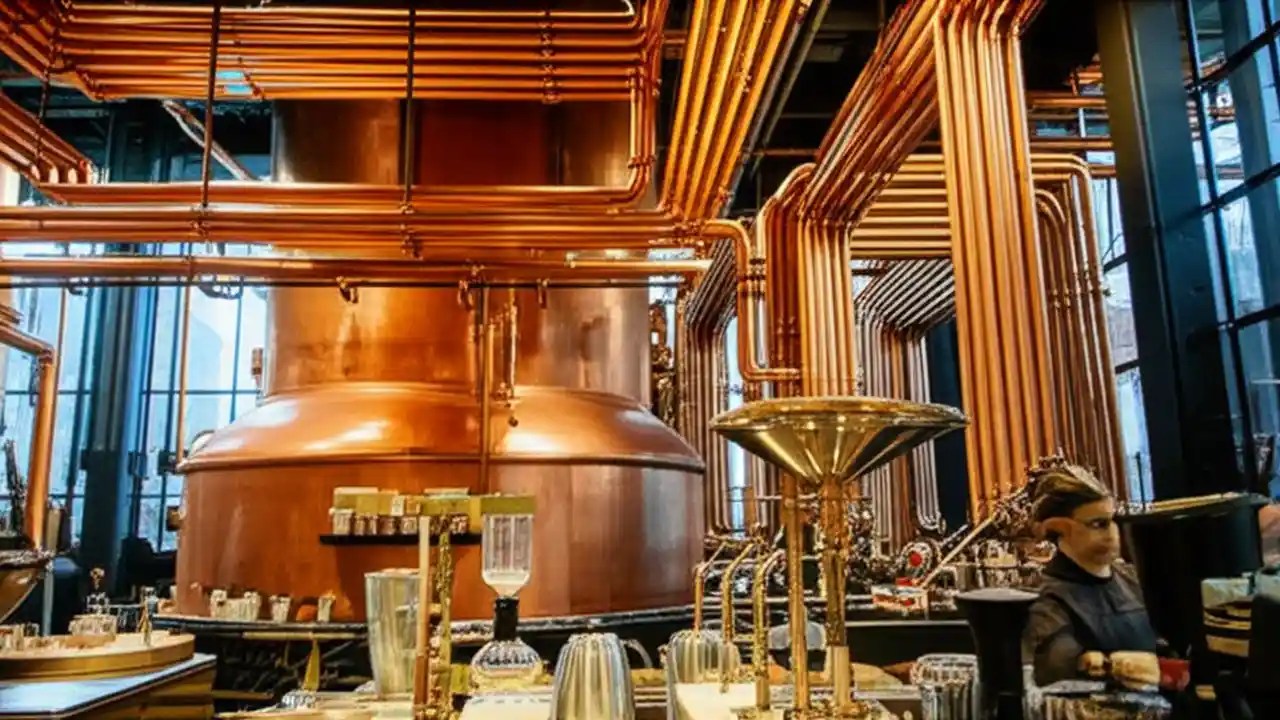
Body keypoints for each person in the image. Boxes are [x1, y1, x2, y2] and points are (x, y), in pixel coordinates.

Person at [1022, 461, 1163, 689]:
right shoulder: (1046, 601)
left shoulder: (1132, 579)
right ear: (1060, 529)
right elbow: (1061, 669)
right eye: (1098, 524)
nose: (1112, 533)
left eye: (1113, 521)